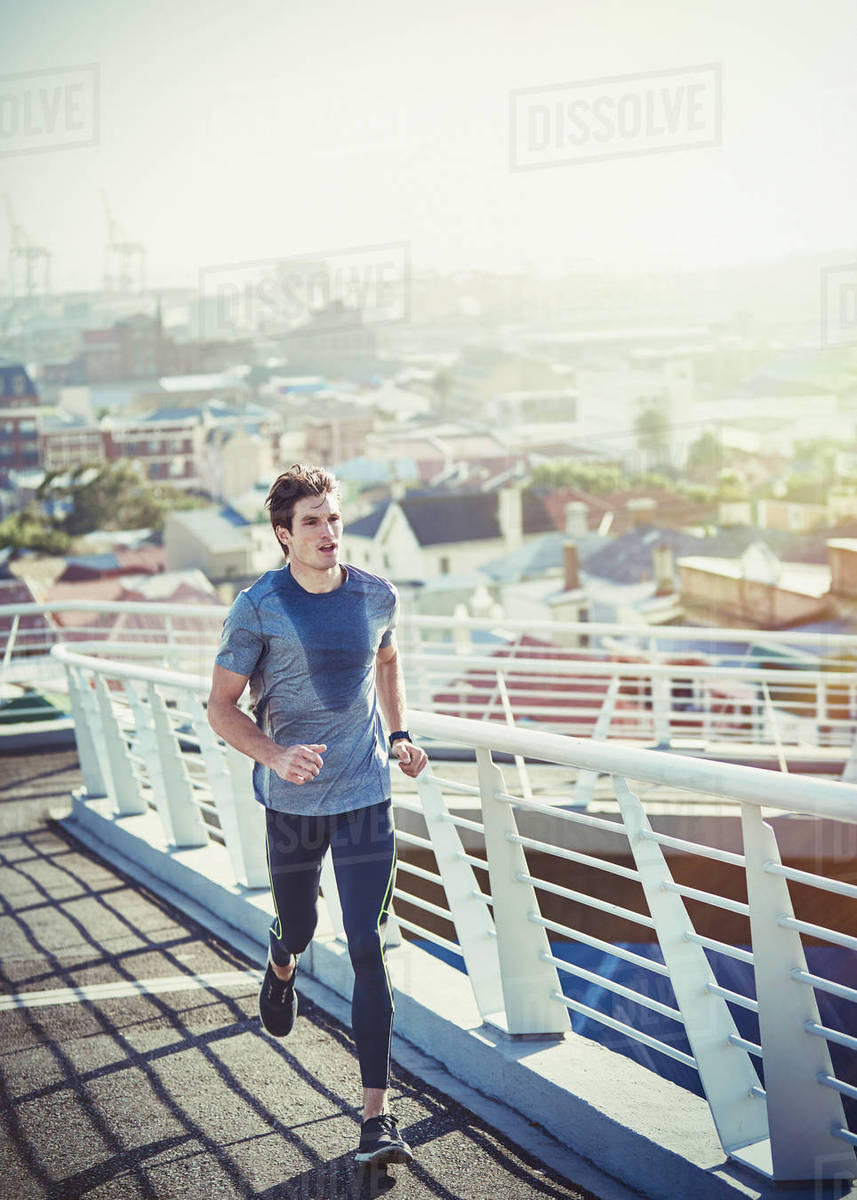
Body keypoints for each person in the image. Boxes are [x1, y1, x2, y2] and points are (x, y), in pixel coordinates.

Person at [207, 463, 428, 1168]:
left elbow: (387, 661)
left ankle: (376, 1117)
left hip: (365, 795)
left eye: (333, 518)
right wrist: (274, 755)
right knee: (299, 925)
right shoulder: (258, 607)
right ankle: (281, 963)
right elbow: (220, 707)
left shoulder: (376, 595)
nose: (328, 531)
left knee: (367, 944)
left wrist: (399, 734)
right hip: (294, 804)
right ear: (284, 534)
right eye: (312, 522)